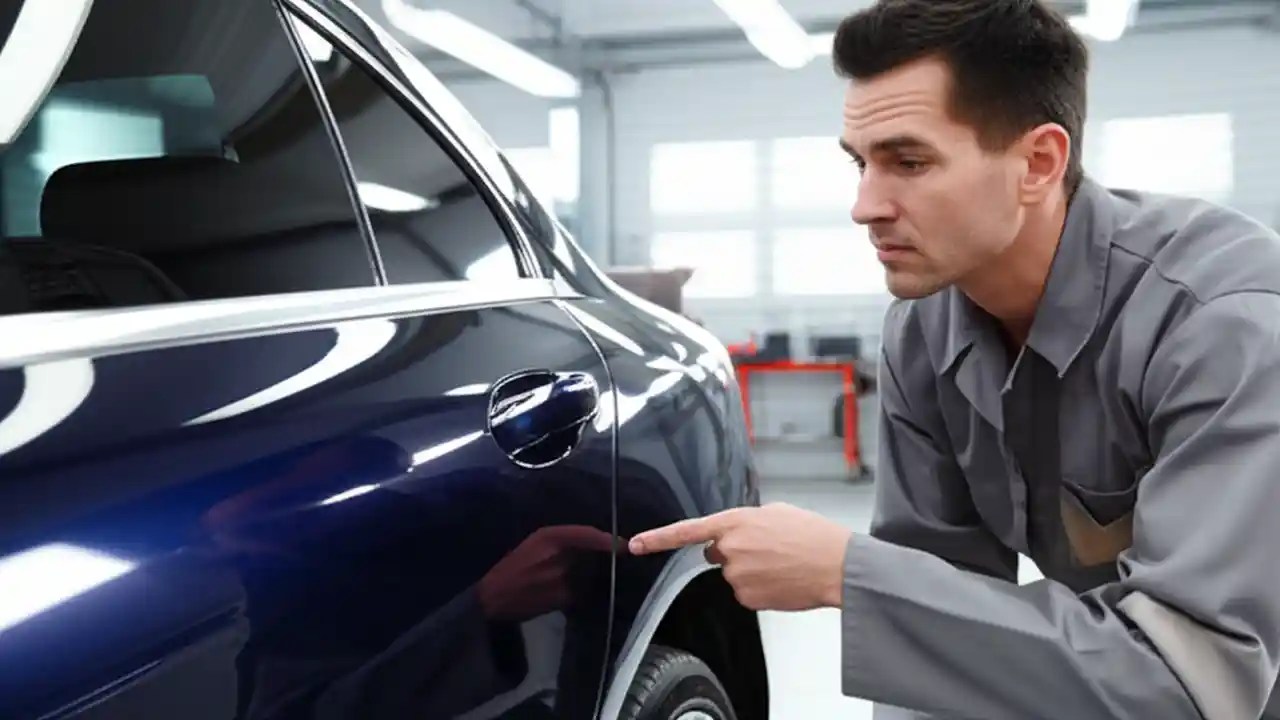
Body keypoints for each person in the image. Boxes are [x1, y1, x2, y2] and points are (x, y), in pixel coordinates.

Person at [628, 0, 1280, 717]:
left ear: (1038, 162)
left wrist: (847, 573)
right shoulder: (922, 333)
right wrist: (880, 585)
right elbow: (940, 626)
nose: (864, 205)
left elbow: (1193, 686)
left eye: (908, 162)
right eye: (859, 163)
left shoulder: (1224, 320)